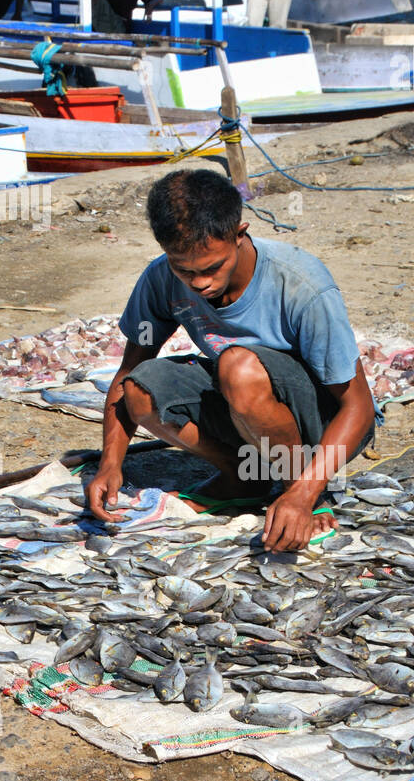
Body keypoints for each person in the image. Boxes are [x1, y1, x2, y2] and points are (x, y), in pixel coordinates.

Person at [85, 169, 376, 552]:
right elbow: (126, 373)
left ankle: (297, 490)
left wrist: (304, 493)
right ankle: (243, 477)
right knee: (138, 390)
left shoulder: (302, 284)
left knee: (238, 368)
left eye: (212, 268)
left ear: (240, 235)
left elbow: (359, 408)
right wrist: (111, 464)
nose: (199, 283)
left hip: (322, 425)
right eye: (184, 270)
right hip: (245, 404)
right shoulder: (159, 279)